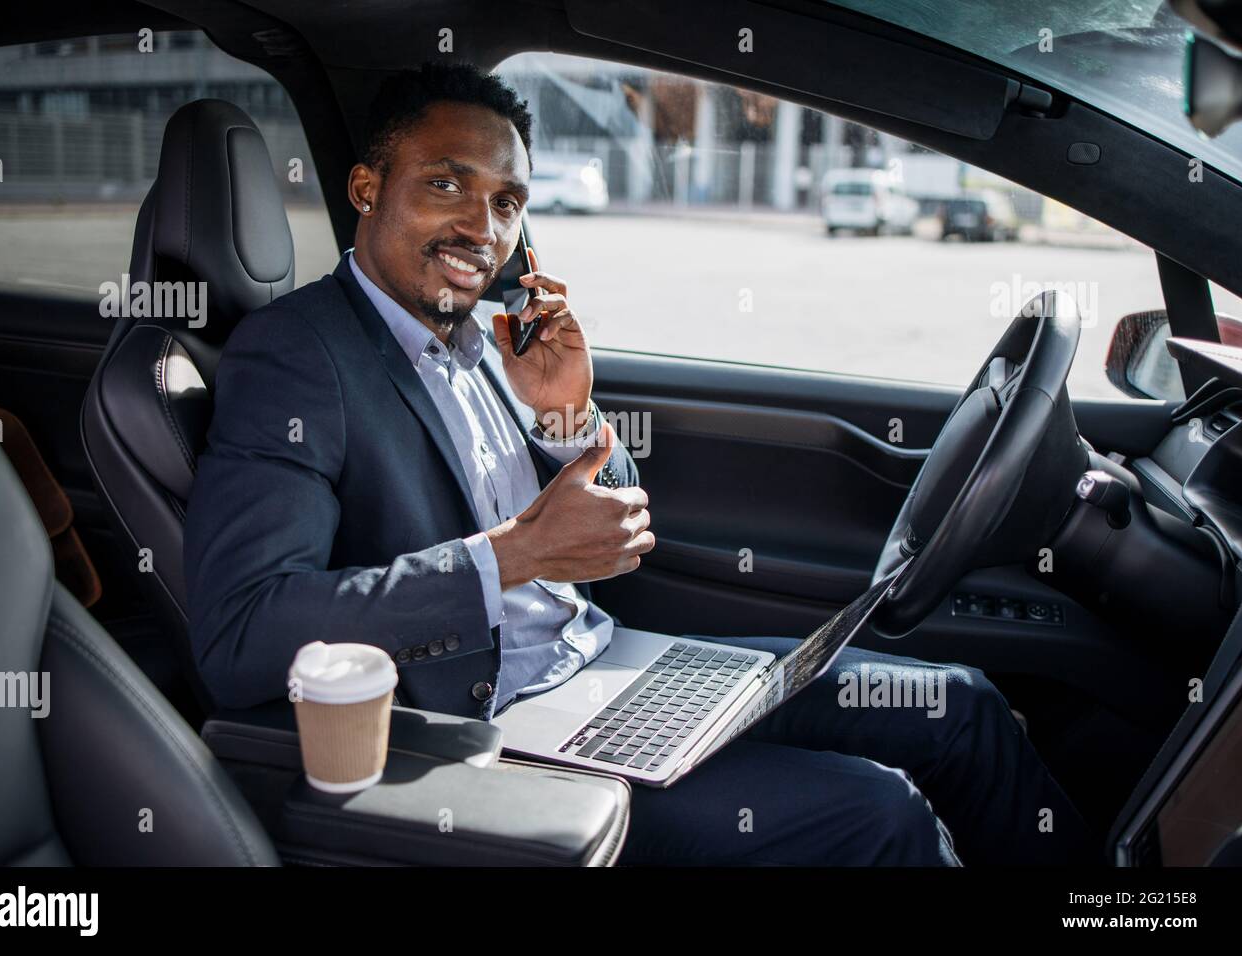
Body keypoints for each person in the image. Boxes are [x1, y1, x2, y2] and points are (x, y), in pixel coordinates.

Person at [183, 62, 1094, 865]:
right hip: (491, 732)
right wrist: (514, 557)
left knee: (959, 706)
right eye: (447, 185)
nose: (482, 226)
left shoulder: (495, 341)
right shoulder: (296, 358)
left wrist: (573, 417)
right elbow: (243, 633)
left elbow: (616, 538)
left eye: (506, 203)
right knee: (878, 811)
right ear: (366, 186)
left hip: (611, 666)